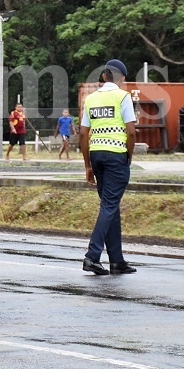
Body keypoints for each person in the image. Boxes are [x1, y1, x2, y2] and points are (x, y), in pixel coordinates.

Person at [80, 59, 138, 276]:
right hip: (116, 155)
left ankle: (116, 260)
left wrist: (87, 165)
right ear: (122, 78)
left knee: (109, 205)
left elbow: (84, 133)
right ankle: (92, 256)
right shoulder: (123, 97)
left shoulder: (91, 98)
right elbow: (131, 132)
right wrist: (129, 156)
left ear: (104, 76)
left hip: (96, 155)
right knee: (110, 205)